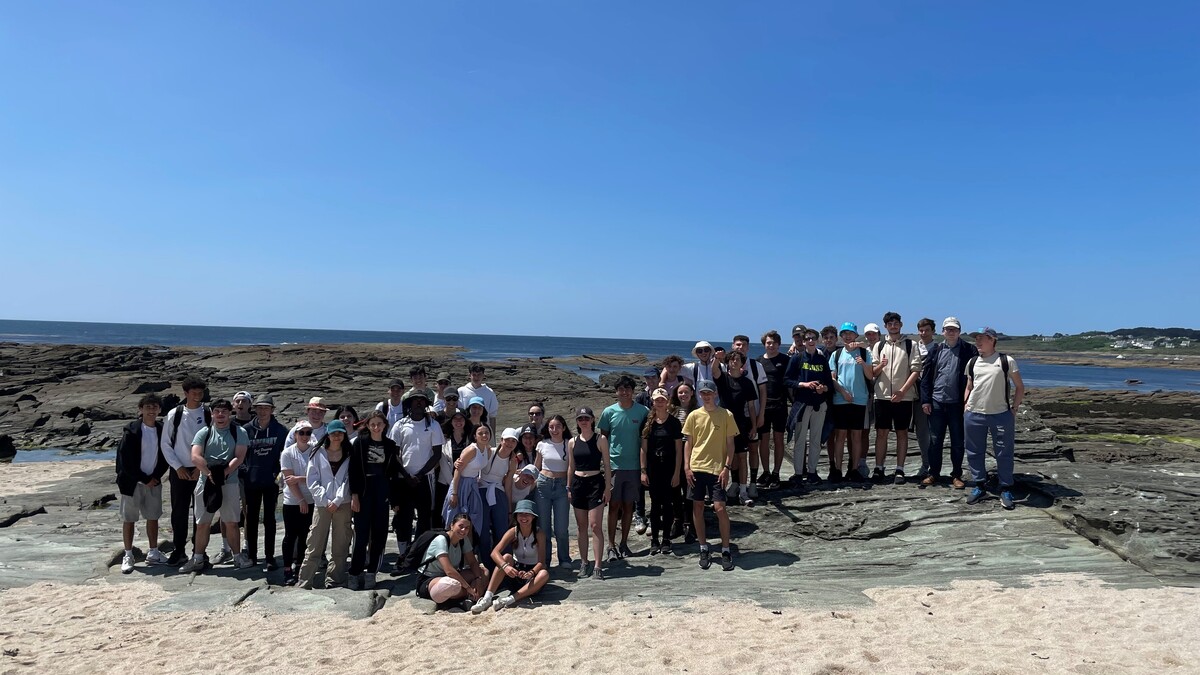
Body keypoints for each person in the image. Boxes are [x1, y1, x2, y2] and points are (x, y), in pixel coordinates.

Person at [179, 399, 253, 573]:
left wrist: (224, 473)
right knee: (202, 523)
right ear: (212, 413)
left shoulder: (239, 432)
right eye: (217, 411)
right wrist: (209, 473)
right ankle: (197, 559)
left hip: (230, 483)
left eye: (224, 411)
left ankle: (237, 557)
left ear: (230, 413)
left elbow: (239, 456)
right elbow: (195, 456)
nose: (220, 415)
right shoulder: (204, 432)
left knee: (231, 522)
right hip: (205, 483)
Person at [964, 328, 1025, 509]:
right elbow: (969, 386)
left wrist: (1014, 408)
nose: (977, 341)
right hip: (974, 414)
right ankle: (979, 485)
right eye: (976, 338)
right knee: (974, 451)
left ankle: (1005, 488)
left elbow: (1020, 386)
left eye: (981, 338)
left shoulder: (1006, 361)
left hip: (1001, 415)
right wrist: (965, 406)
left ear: (992, 340)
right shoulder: (972, 362)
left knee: (1004, 452)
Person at [682, 380, 737, 572]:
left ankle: (726, 549)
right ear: (699, 395)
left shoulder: (726, 415)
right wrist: (687, 467)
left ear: (715, 394)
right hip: (697, 467)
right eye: (703, 393)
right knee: (697, 507)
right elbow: (688, 443)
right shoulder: (694, 416)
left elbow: (730, 444)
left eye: (709, 393)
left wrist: (727, 467)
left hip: (717, 469)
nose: (706, 396)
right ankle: (703, 547)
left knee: (720, 508)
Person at [920, 317, 979, 489]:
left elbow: (976, 376)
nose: (951, 332)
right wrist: (926, 400)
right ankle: (933, 474)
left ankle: (956, 475)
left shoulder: (969, 350)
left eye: (954, 329)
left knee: (958, 441)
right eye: (948, 329)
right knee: (934, 441)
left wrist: (969, 401)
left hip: (957, 404)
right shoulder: (936, 350)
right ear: (943, 331)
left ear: (959, 331)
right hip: (937, 402)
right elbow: (926, 377)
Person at [116, 393, 170, 573]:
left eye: (155, 407)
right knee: (129, 519)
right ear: (141, 409)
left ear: (159, 410)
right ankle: (128, 554)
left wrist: (155, 477)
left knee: (153, 516)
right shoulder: (131, 430)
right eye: (148, 407)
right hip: (132, 482)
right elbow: (125, 460)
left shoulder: (163, 429)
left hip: (154, 481)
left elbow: (166, 456)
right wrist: (144, 479)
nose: (151, 410)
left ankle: (153, 552)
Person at [388, 390, 445, 558]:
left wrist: (419, 475)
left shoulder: (433, 425)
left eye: (422, 400)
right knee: (403, 518)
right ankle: (403, 555)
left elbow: (437, 454)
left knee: (424, 518)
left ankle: (417, 554)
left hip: (425, 479)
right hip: (403, 479)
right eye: (415, 400)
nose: (419, 403)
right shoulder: (399, 425)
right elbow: (394, 454)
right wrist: (406, 476)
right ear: (409, 404)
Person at [598, 375, 649, 560]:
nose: (625, 392)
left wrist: (644, 468)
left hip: (634, 466)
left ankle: (624, 544)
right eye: (621, 389)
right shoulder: (608, 412)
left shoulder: (643, 411)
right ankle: (611, 546)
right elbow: (603, 438)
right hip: (614, 466)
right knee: (613, 506)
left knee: (629, 506)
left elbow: (646, 439)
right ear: (616, 392)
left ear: (633, 391)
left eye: (628, 389)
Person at [348, 411, 400, 590]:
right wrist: (354, 495)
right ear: (368, 425)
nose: (376, 427)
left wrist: (394, 500)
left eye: (379, 424)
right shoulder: (360, 443)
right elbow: (353, 470)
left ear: (385, 425)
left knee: (379, 534)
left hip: (382, 491)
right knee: (361, 535)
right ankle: (355, 572)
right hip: (364, 492)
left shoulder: (390, 445)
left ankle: (371, 572)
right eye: (373, 424)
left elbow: (393, 473)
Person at [298, 420, 353, 589]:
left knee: (341, 544)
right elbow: (312, 479)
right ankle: (305, 581)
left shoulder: (350, 453)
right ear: (327, 434)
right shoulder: (317, 452)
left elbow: (349, 479)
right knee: (314, 543)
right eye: (333, 433)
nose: (337, 436)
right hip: (322, 505)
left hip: (343, 504)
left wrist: (337, 500)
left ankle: (335, 580)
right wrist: (325, 500)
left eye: (340, 433)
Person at [161, 375, 209, 566]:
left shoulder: (208, 413)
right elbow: (165, 443)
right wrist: (177, 467)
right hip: (179, 470)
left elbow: (211, 442)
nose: (197, 395)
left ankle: (200, 551)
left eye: (200, 392)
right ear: (186, 393)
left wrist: (200, 467)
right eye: (194, 392)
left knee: (201, 512)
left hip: (200, 470)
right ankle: (179, 550)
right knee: (179, 512)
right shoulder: (175, 414)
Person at [870, 312, 923, 485]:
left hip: (904, 397)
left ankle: (900, 469)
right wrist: (881, 365)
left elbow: (916, 370)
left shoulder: (910, 344)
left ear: (901, 325)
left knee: (902, 433)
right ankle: (879, 468)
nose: (893, 326)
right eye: (890, 323)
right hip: (882, 396)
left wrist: (902, 391)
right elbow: (873, 372)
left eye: (896, 323)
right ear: (885, 326)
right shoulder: (878, 345)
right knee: (881, 433)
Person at [470, 500, 549, 613]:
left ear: (533, 516)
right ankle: (487, 598)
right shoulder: (513, 531)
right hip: (515, 572)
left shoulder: (539, 534)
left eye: (527, 514)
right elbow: (494, 552)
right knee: (506, 557)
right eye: (520, 514)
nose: (523, 517)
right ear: (516, 516)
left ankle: (510, 599)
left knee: (544, 574)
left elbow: (541, 562)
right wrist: (506, 567)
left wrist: (531, 573)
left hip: (531, 574)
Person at [242, 394, 288, 571]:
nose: (262, 411)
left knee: (270, 519)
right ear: (254, 409)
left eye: (266, 408)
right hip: (251, 481)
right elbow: (240, 454)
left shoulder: (280, 430)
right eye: (259, 408)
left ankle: (270, 557)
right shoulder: (245, 430)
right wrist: (245, 472)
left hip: (271, 482)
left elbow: (285, 455)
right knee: (251, 518)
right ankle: (252, 556)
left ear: (272, 410)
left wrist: (279, 477)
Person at [784, 328, 834, 483]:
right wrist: (804, 384)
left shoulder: (822, 360)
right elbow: (787, 380)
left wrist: (823, 388)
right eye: (807, 339)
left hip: (819, 404)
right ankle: (798, 473)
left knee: (816, 440)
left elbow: (829, 383)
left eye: (813, 338)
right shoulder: (797, 359)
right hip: (802, 404)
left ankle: (812, 472)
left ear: (817, 341)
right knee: (799, 440)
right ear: (803, 342)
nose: (811, 341)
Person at [567, 407, 611, 579]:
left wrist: (607, 488)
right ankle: (584, 562)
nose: (583, 421)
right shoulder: (572, 442)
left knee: (595, 525)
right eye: (580, 419)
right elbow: (571, 466)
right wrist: (569, 487)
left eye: (586, 418)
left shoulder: (601, 439)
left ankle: (598, 566)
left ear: (592, 420)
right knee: (581, 526)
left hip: (595, 484)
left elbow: (607, 465)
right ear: (577, 422)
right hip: (578, 485)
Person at [828, 323, 873, 484]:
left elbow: (870, 375)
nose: (847, 336)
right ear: (841, 336)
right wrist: (843, 392)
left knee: (856, 435)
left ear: (855, 335)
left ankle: (854, 469)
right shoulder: (837, 354)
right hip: (840, 400)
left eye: (851, 333)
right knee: (840, 435)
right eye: (844, 333)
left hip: (859, 400)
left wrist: (863, 363)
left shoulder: (864, 353)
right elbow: (832, 378)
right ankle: (837, 469)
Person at [712, 351, 758, 506]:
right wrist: (717, 358)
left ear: (742, 363)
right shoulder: (723, 378)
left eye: (737, 359)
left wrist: (754, 426)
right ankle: (721, 490)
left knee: (742, 457)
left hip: (741, 424)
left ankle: (743, 492)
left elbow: (751, 406)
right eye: (731, 359)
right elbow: (714, 370)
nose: (734, 362)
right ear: (727, 362)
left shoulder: (747, 382)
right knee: (724, 457)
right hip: (722, 423)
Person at [416, 513, 488, 611]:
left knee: (484, 572)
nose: (463, 530)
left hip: (451, 577)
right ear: (452, 525)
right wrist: (468, 588)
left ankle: (469, 598)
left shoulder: (463, 540)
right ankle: (470, 595)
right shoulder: (441, 540)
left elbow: (473, 562)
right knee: (450, 584)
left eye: (467, 528)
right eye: (460, 526)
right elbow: (449, 570)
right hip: (430, 580)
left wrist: (478, 579)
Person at [641, 388, 682, 555]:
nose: (659, 402)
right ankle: (654, 540)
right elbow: (643, 449)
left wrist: (677, 473)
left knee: (667, 504)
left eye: (662, 400)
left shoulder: (674, 422)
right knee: (655, 505)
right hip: (653, 468)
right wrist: (643, 471)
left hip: (669, 467)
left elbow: (679, 450)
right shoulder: (648, 422)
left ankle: (666, 539)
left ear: (667, 402)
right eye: (657, 400)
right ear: (653, 401)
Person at [730, 335, 767, 498]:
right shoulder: (727, 366)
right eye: (738, 345)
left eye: (744, 345)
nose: (741, 347)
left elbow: (763, 391)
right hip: (733, 419)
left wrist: (761, 414)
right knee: (734, 452)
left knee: (753, 449)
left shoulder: (756, 366)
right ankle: (735, 482)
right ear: (733, 346)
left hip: (753, 415)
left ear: (748, 347)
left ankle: (752, 483)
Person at [279, 421, 315, 586]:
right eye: (301, 433)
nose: (305, 436)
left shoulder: (315, 451)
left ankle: (300, 566)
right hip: (292, 501)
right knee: (290, 535)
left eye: (308, 433)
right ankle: (287, 569)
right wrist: (301, 500)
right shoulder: (287, 453)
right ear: (295, 435)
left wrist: (299, 478)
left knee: (304, 535)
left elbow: (318, 477)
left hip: (312, 499)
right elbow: (288, 479)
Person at [534, 414, 572, 568]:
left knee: (561, 528)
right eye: (551, 427)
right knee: (544, 527)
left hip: (562, 486)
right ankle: (545, 560)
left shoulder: (569, 444)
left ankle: (564, 559)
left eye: (557, 426)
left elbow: (571, 467)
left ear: (563, 428)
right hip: (543, 485)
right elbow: (536, 467)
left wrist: (569, 486)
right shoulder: (542, 444)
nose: (554, 430)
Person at [441, 424, 489, 547]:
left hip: (472, 485)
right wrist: (454, 493)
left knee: (470, 521)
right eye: (480, 433)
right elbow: (457, 471)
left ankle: (468, 554)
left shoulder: (487, 449)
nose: (484, 435)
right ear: (475, 436)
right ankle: (449, 551)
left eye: (487, 433)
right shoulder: (471, 450)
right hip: (461, 485)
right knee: (455, 522)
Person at [757, 330, 791, 490]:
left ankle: (776, 472)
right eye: (768, 343)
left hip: (780, 406)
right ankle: (766, 472)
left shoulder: (785, 360)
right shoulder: (758, 362)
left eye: (774, 343)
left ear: (778, 344)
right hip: (763, 406)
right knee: (763, 440)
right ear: (764, 344)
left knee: (778, 439)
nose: (771, 345)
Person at [477, 427, 517, 560]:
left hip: (498, 492)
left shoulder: (512, 461)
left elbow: (508, 485)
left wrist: (509, 510)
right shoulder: (489, 452)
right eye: (507, 440)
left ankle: (505, 560)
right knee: (483, 530)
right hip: (482, 490)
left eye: (513, 441)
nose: (510, 443)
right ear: (501, 440)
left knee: (502, 530)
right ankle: (486, 562)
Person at [435, 408, 472, 525]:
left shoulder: (470, 440)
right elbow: (443, 463)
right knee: (444, 515)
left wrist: (458, 484)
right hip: (445, 483)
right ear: (451, 421)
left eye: (461, 419)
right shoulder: (443, 439)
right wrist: (453, 485)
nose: (458, 421)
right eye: (455, 419)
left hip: (465, 484)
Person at [913, 318, 938, 479]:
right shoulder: (913, 347)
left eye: (927, 330)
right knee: (921, 432)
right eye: (921, 330)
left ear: (933, 331)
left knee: (934, 432)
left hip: (934, 395)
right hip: (915, 395)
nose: (924, 333)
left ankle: (933, 466)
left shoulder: (939, 348)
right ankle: (925, 464)